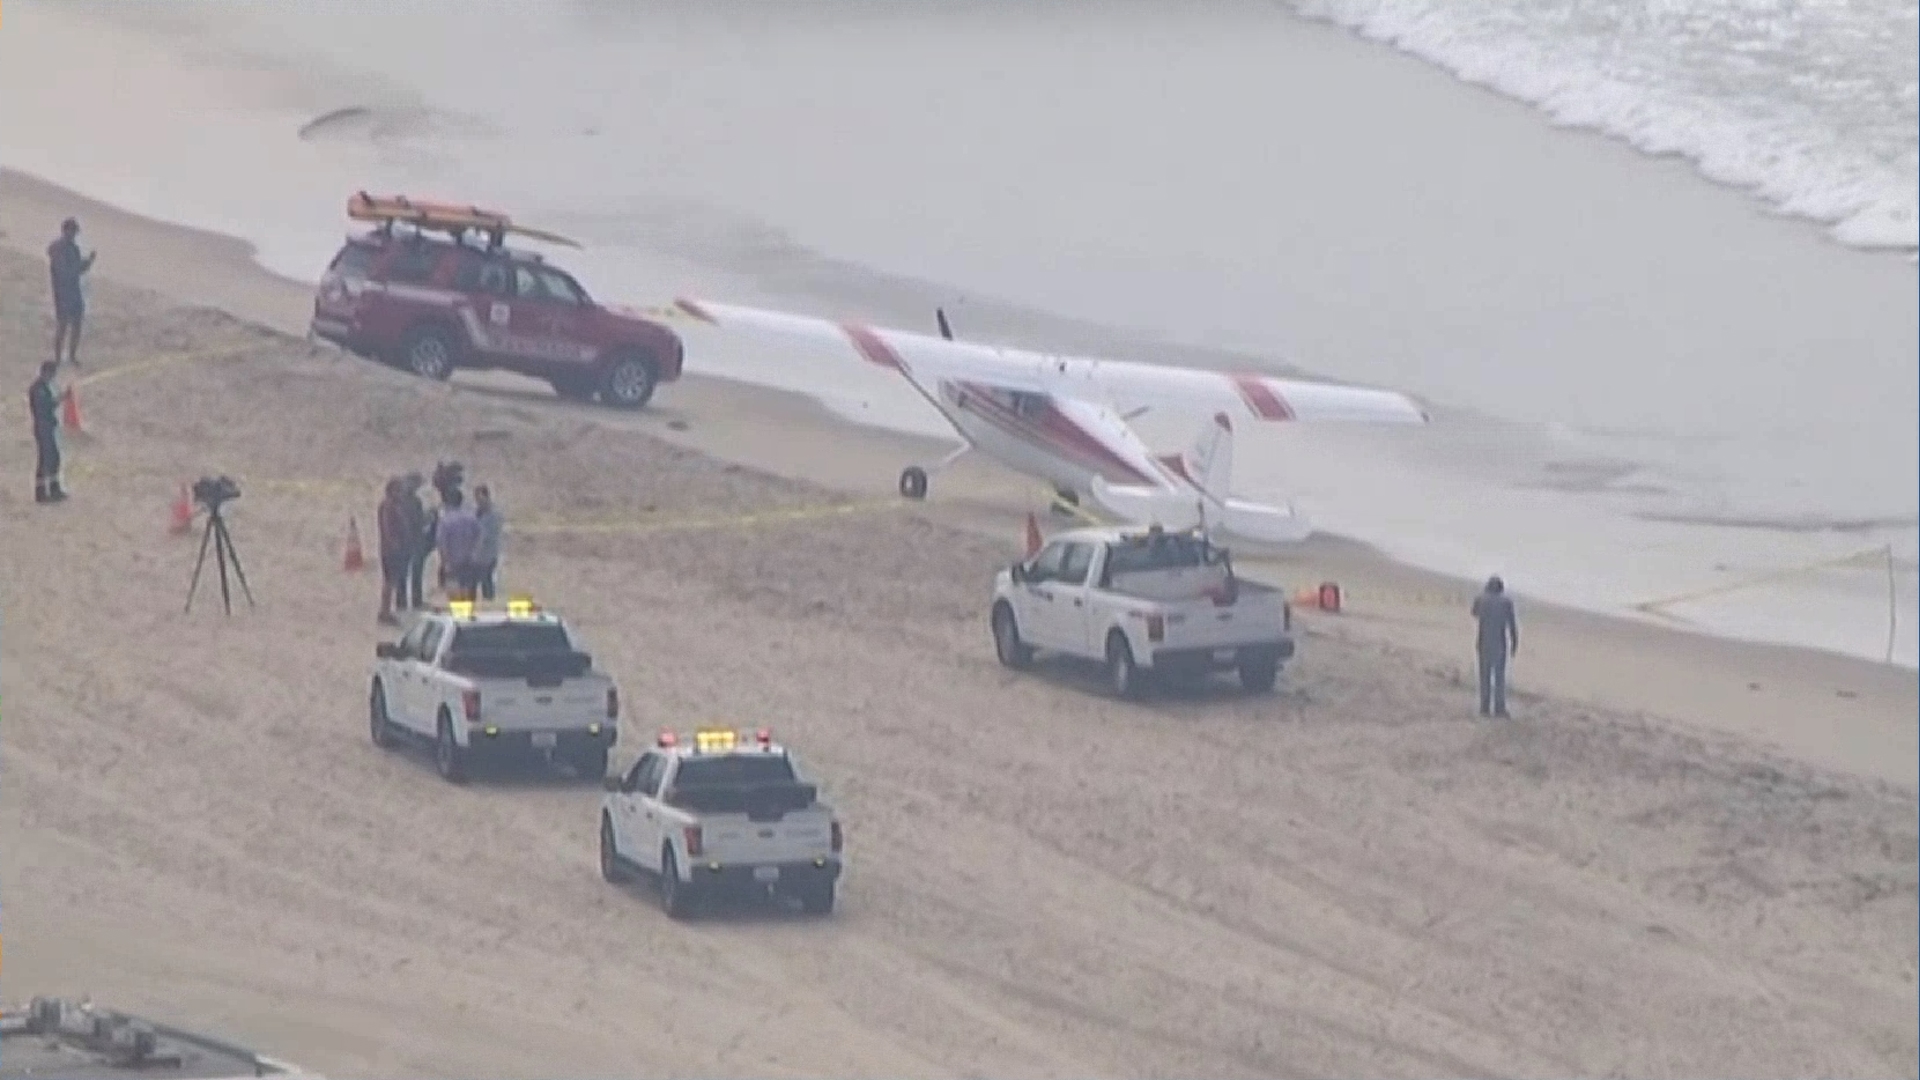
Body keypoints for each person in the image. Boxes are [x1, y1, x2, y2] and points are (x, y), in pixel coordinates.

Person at [47, 218, 96, 367]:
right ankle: (57, 358)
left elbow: (77, 270)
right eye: (72, 231)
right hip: (63, 292)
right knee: (62, 326)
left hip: (74, 291)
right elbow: (64, 271)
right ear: (65, 230)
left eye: (75, 232)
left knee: (76, 324)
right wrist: (81, 266)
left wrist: (88, 262)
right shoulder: (57, 247)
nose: (73, 234)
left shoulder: (73, 248)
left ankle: (72, 356)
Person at [1470, 575, 1520, 718]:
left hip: (1483, 642)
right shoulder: (1506, 603)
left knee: (1484, 676)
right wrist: (1515, 643)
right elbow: (1512, 625)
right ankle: (1499, 707)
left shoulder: (1481, 599)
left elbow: (1474, 613)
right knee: (1499, 677)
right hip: (1500, 644)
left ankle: (1484, 707)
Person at [27, 361, 66, 504]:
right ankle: (41, 493)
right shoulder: (37, 389)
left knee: (54, 458)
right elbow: (45, 407)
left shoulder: (43, 387)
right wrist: (59, 399)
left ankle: (54, 489)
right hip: (43, 428)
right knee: (45, 460)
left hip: (48, 427)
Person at [435, 487, 483, 602]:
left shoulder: (446, 521)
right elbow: (479, 536)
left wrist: (445, 562)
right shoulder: (471, 518)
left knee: (454, 596)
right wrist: (474, 553)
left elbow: (442, 543)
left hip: (453, 562)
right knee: (468, 593)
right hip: (469, 561)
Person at [376, 478, 412, 624]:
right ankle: (385, 612)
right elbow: (387, 527)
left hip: (394, 548)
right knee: (389, 581)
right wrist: (394, 544)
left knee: (391, 581)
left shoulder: (395, 505)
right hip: (391, 550)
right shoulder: (388, 506)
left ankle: (386, 610)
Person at [400, 472, 433, 610]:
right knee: (416, 572)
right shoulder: (414, 502)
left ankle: (401, 601)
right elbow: (419, 521)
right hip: (415, 540)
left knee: (403, 573)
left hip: (403, 541)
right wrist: (430, 516)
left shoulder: (400, 501)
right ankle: (416, 600)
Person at [470, 484, 504, 601]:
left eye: (480, 498)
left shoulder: (494, 514)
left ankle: (489, 602)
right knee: (473, 583)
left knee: (487, 581)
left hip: (489, 553)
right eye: (476, 498)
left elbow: (488, 535)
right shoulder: (476, 513)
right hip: (476, 555)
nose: (478, 501)